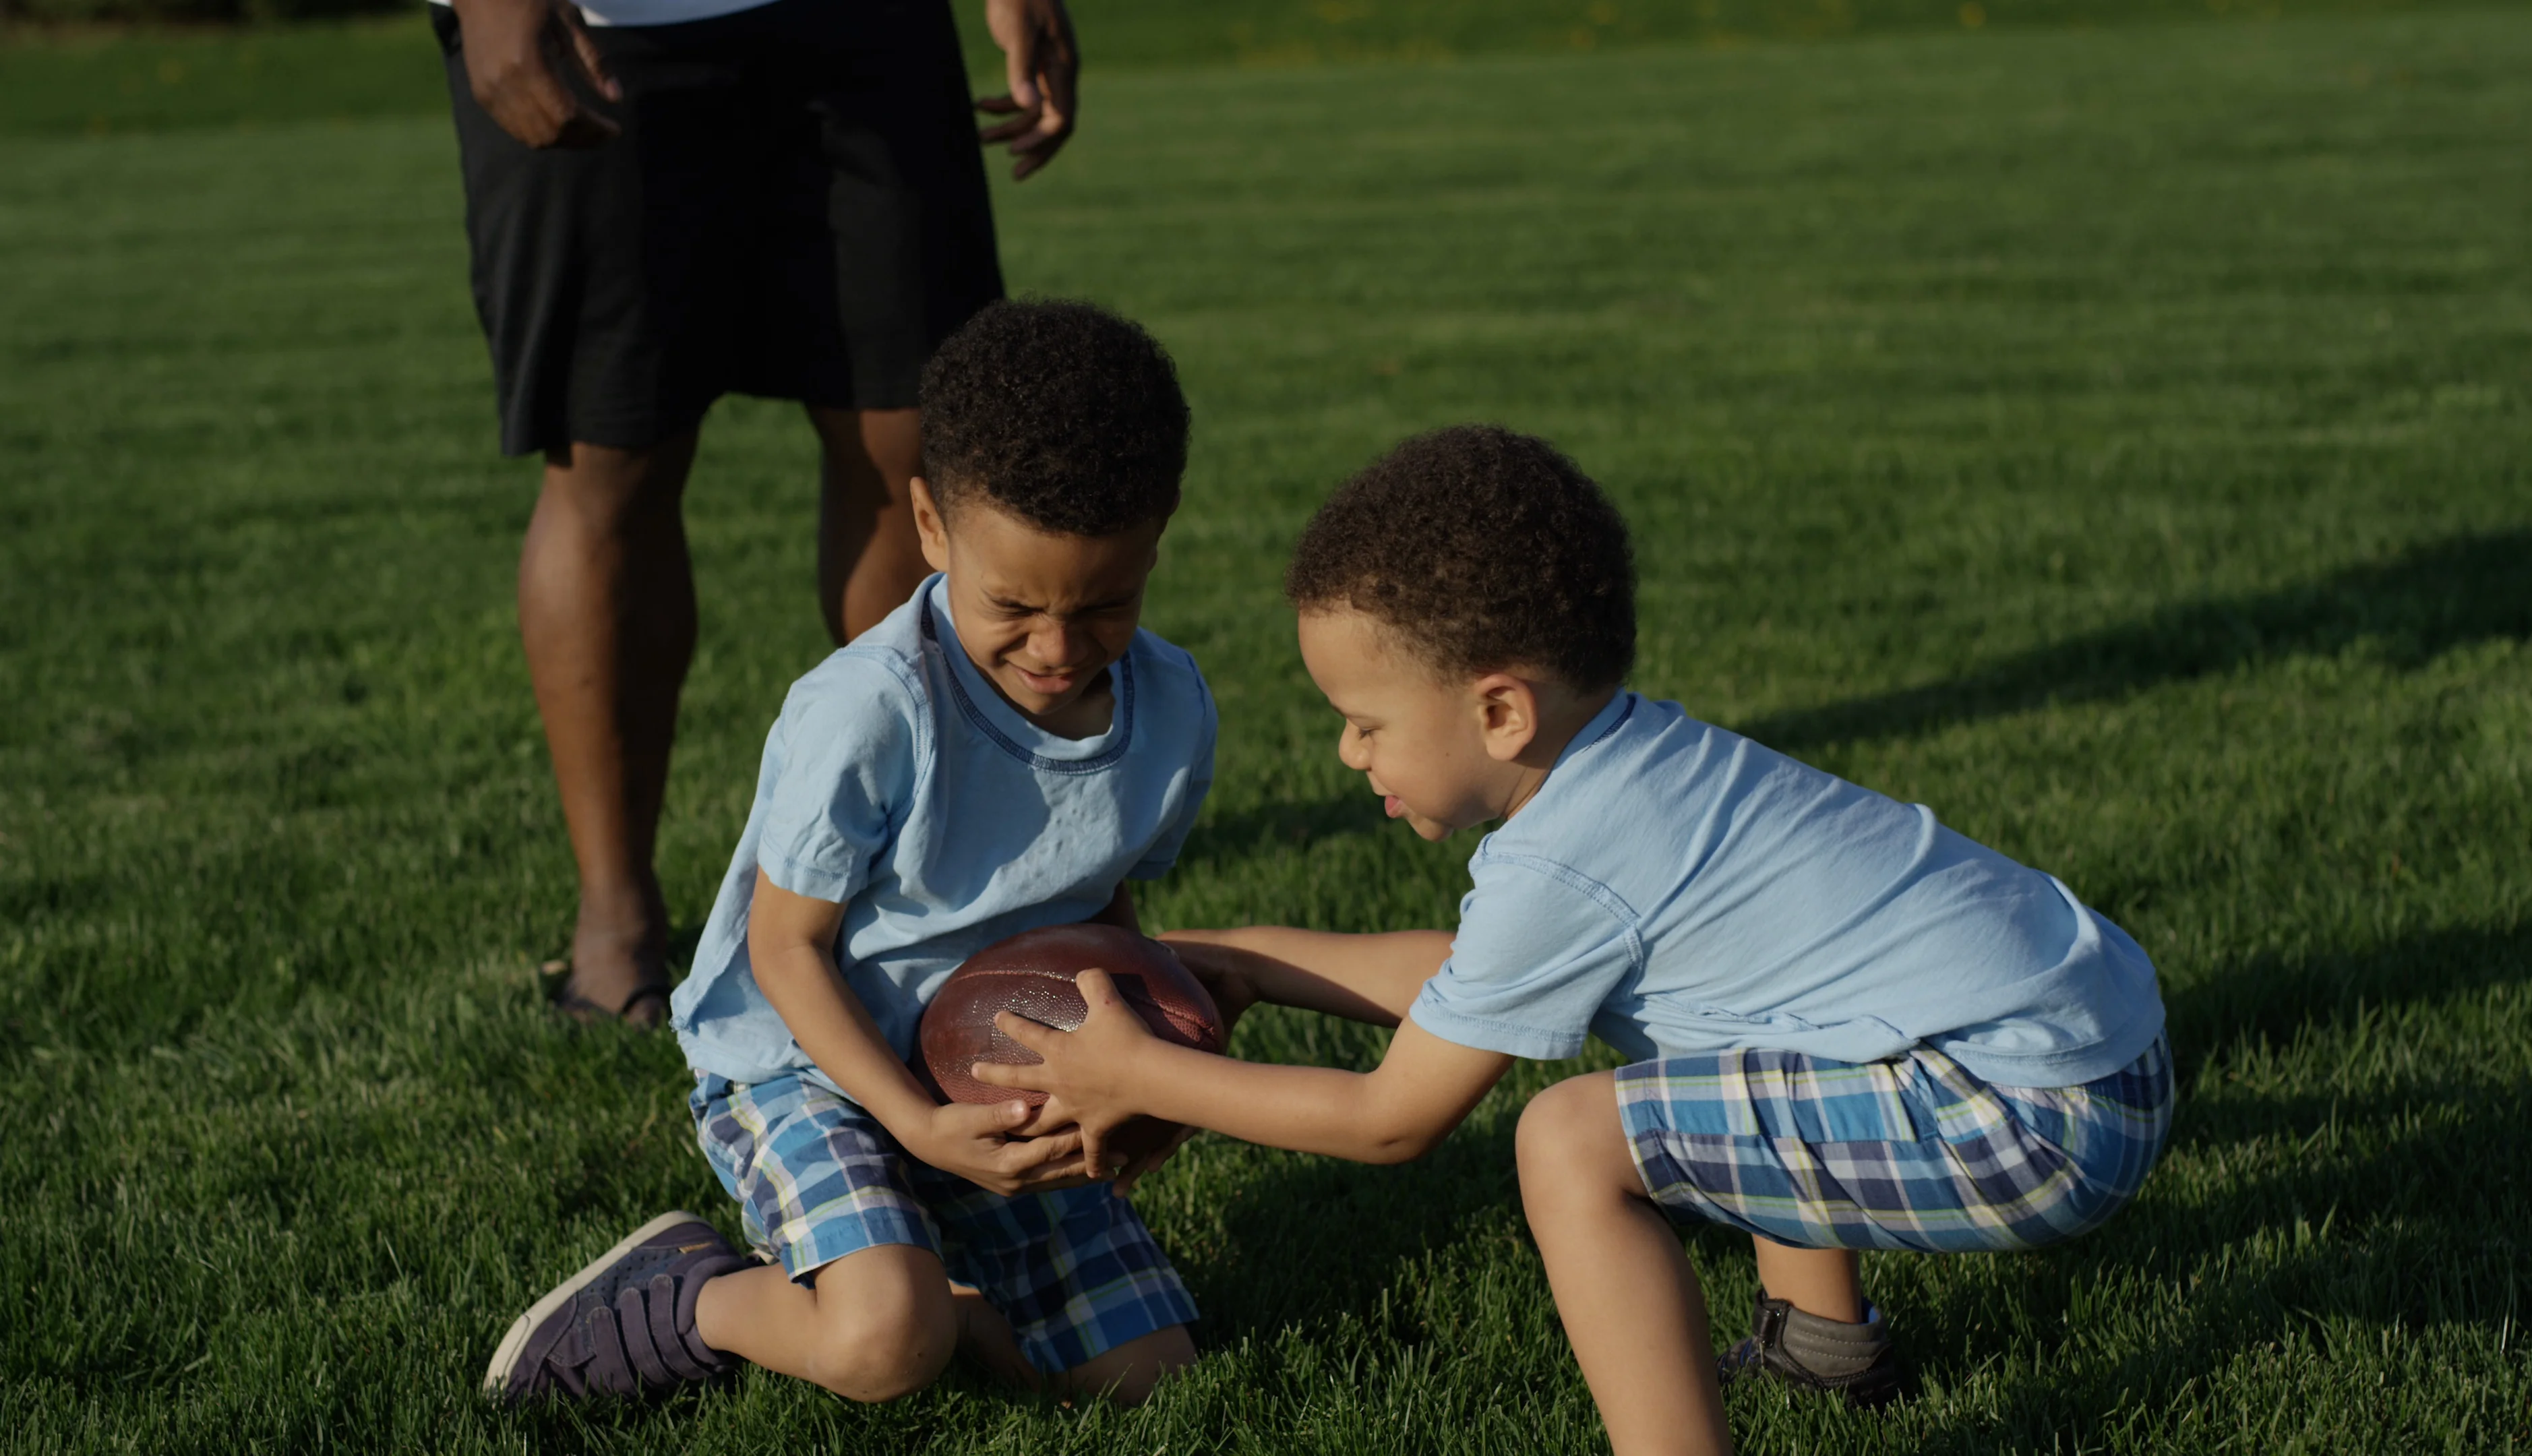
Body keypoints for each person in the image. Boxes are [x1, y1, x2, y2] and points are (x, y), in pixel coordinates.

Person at [980, 427, 2175, 1455]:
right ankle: (1822, 1354)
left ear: (1500, 711)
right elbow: (1470, 986)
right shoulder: (1628, 769)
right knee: (1727, 1046)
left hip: (2033, 1113)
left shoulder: (1564, 863)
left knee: (1570, 1140)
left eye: (1367, 723)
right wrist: (1241, 960)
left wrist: (1135, 1072)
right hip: (2089, 1046)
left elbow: (1389, 1119)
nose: (1349, 753)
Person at [481, 300, 1214, 1405]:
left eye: (1107, 604)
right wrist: (915, 1124)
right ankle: (686, 1295)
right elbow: (785, 950)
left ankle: (938, 1278)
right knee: (882, 1346)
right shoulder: (872, 712)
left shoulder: (1170, 709)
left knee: (1144, 1383)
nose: (1059, 648)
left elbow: (1103, 909)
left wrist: (1133, 1071)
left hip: (988, 1079)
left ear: (1159, 537)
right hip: (808, 1065)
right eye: (1013, 604)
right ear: (930, 526)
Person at [431, 0, 1080, 1025]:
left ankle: (927, 881)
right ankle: (616, 914)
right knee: (612, 453)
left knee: (915, 441)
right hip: (602, 24)